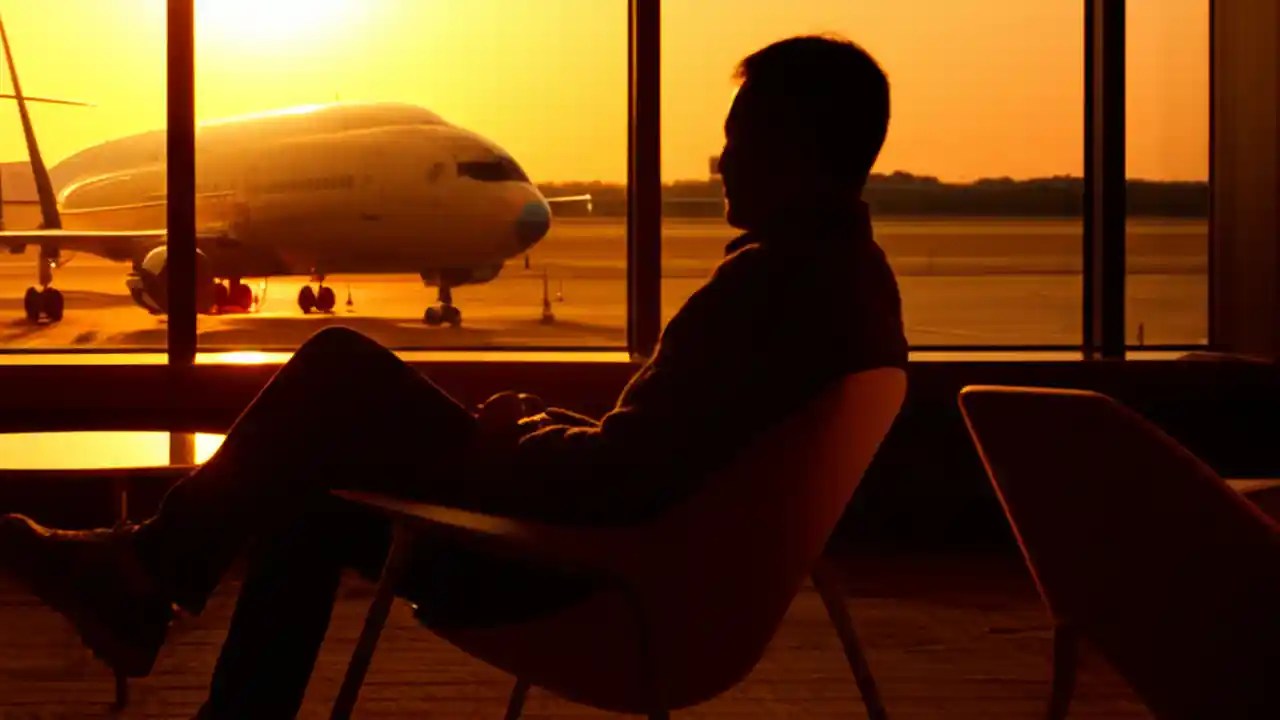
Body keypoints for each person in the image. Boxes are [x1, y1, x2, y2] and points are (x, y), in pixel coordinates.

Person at [0, 34, 907, 718]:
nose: (722, 161)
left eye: (738, 138)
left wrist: (515, 432)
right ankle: (157, 594)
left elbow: (616, 478)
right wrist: (548, 423)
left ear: (797, 147)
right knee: (315, 490)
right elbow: (666, 452)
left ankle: (143, 570)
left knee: (337, 368)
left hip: (584, 574)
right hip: (655, 564)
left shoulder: (769, 288)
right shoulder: (845, 283)